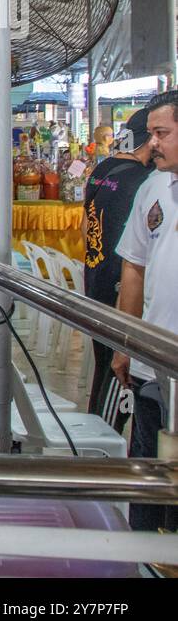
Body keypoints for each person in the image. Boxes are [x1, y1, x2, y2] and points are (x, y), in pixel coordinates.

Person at [111, 90, 178, 533]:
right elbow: (133, 268)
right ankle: (142, 559)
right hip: (155, 360)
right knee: (151, 473)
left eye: (162, 133)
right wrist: (125, 343)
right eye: (151, 134)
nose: (152, 143)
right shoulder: (153, 188)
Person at [83, 109, 153, 427]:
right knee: (119, 376)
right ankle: (104, 448)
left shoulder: (106, 171)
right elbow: (134, 262)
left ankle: (101, 443)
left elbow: (86, 225)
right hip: (118, 291)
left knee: (107, 370)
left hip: (99, 279)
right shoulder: (141, 182)